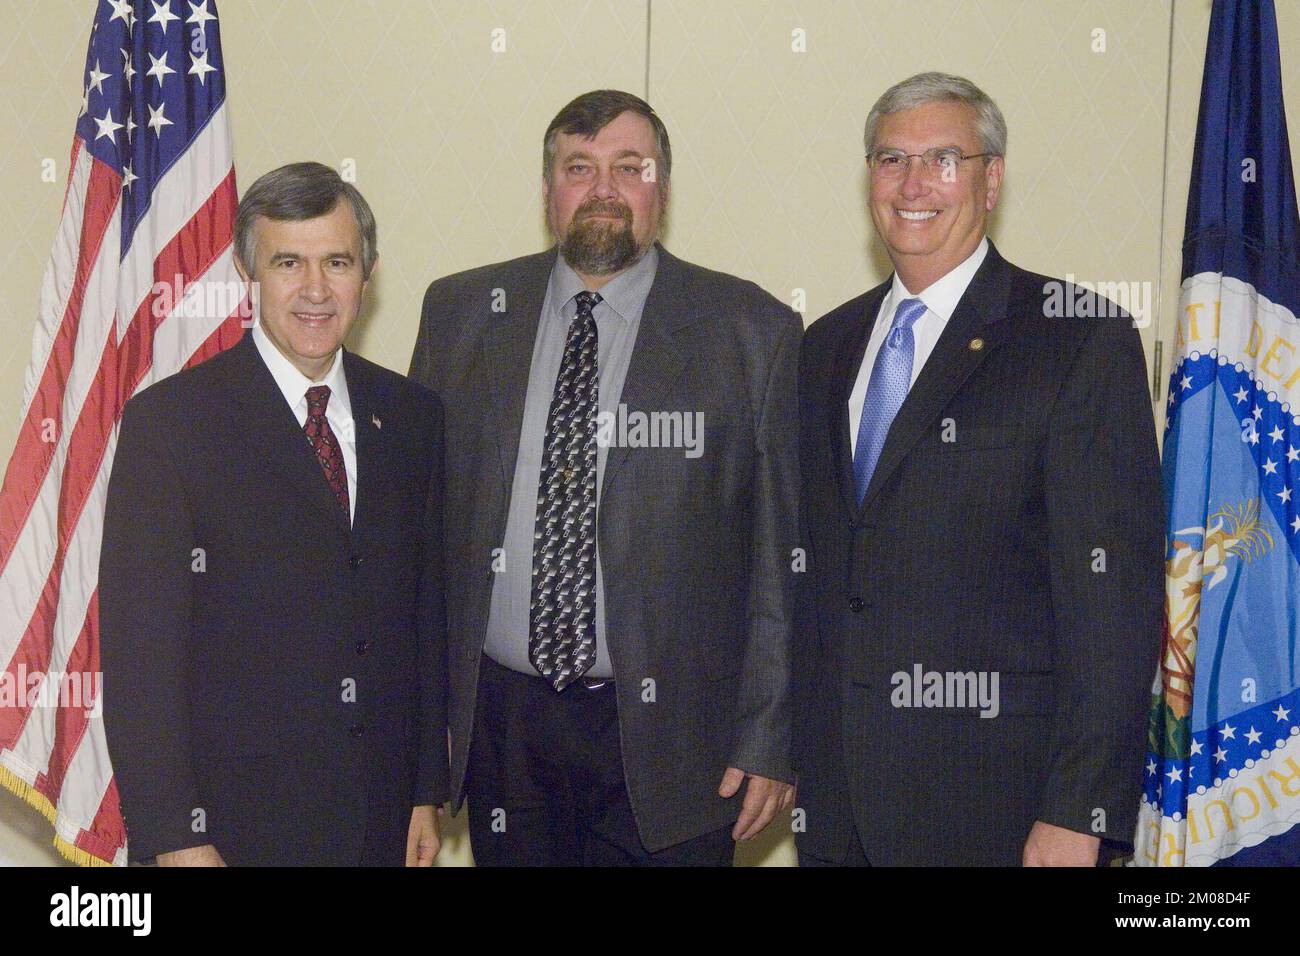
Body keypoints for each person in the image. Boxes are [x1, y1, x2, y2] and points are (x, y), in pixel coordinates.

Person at [409, 89, 801, 866]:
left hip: (674, 739)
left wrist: (769, 735)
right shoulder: (461, 313)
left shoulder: (750, 331)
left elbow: (780, 560)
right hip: (501, 728)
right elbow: (419, 536)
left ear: (662, 187)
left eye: (630, 166)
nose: (604, 189)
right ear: (550, 190)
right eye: (578, 167)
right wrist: (427, 721)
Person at [793, 72, 1164, 866]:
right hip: (839, 809)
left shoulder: (1078, 339)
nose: (913, 184)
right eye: (891, 159)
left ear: (992, 179)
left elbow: (1116, 606)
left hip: (1002, 810)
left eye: (944, 159)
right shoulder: (824, 347)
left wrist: (1082, 810)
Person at [100, 162, 447, 866]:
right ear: (248, 271)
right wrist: (176, 837)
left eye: (337, 262)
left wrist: (423, 790)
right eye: (288, 262)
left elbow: (422, 615)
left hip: (379, 823)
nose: (315, 290)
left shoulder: (411, 416)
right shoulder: (172, 425)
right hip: (227, 832)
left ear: (368, 272)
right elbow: (141, 664)